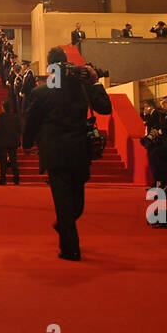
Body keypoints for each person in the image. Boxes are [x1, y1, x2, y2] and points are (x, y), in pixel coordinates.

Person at [23, 47, 113, 260]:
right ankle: (70, 248)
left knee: (73, 205)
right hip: (73, 153)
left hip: (64, 152)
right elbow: (105, 107)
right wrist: (94, 82)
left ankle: (64, 226)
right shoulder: (79, 88)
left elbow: (31, 123)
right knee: (70, 204)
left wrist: (26, 143)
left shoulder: (43, 92)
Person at [0, 101, 21, 185]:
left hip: (3, 142)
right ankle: (16, 179)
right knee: (13, 161)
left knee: (3, 162)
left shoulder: (1, 116)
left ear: (3, 107)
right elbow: (19, 129)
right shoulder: (15, 116)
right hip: (13, 142)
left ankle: (3, 179)